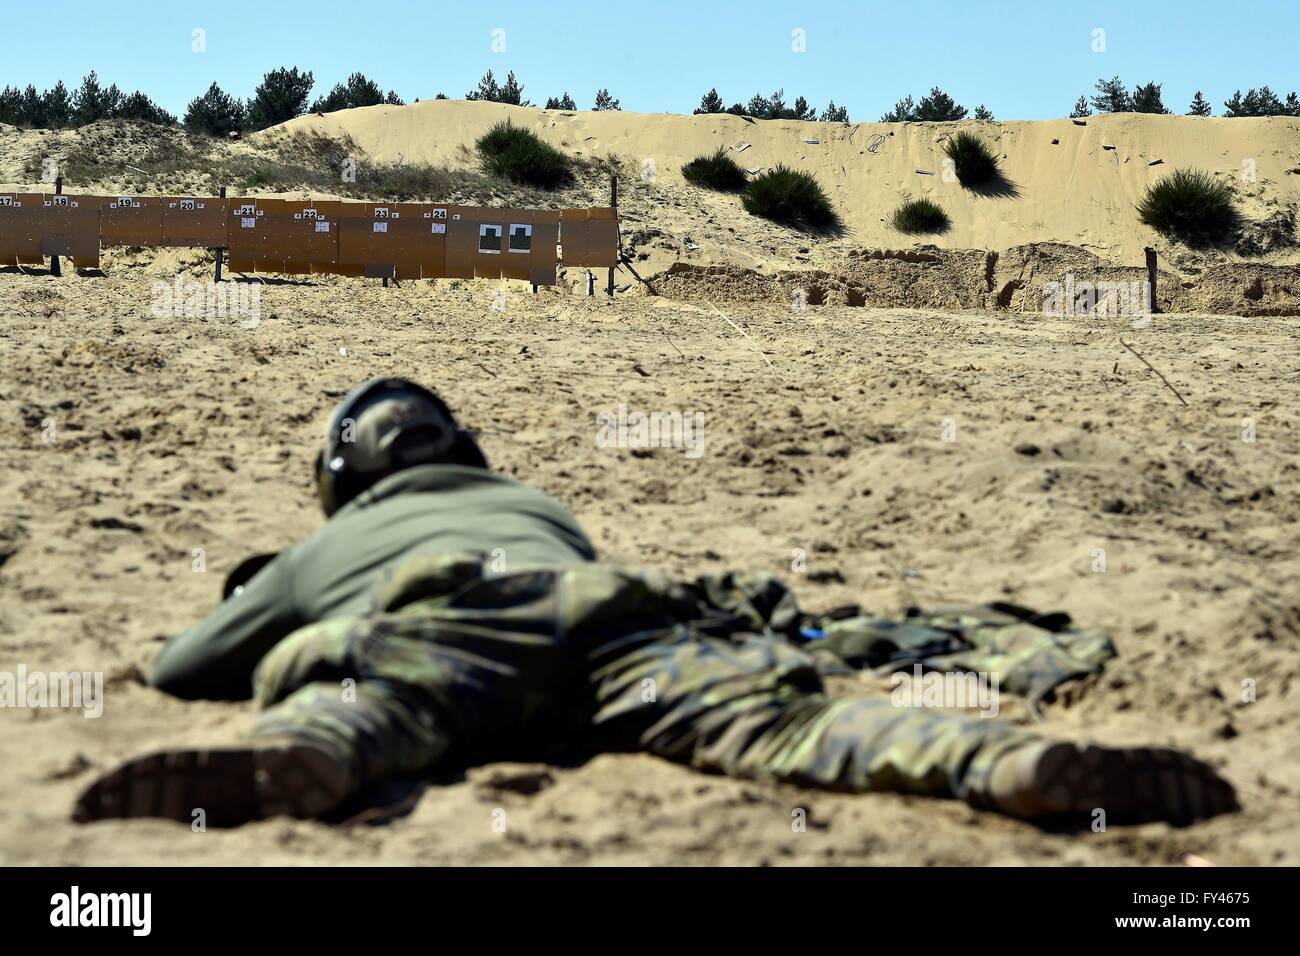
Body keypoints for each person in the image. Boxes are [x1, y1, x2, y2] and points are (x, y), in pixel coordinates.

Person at [74, 378, 1237, 828]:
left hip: (444, 617)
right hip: (614, 608)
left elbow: (181, 667)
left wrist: (265, 595)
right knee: (788, 722)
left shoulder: (334, 541)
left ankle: (311, 754)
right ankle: (987, 762)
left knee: (374, 698)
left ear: (343, 484)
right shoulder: (534, 498)